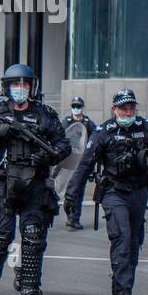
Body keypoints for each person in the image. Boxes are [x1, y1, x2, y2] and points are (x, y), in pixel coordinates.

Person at [0, 64, 71, 295]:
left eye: (24, 84)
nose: (20, 89)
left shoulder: (45, 113)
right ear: (6, 87)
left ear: (32, 87)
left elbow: (64, 144)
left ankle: (30, 291)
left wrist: (48, 157)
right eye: (15, 84)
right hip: (2, 182)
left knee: (33, 237)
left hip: (34, 183)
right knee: (1, 237)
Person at [63, 89, 148, 295]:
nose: (128, 112)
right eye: (123, 108)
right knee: (122, 237)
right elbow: (85, 164)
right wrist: (71, 194)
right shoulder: (103, 132)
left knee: (134, 241)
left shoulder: (146, 129)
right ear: (114, 109)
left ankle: (120, 286)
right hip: (113, 192)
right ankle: (125, 290)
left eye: (131, 108)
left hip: (139, 192)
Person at [62, 96, 96, 229]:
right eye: (74, 106)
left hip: (82, 164)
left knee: (79, 191)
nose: (76, 109)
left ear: (82, 108)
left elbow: (95, 141)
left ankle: (74, 219)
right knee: (70, 191)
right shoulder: (66, 122)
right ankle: (70, 217)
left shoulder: (88, 123)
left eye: (78, 106)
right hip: (69, 162)